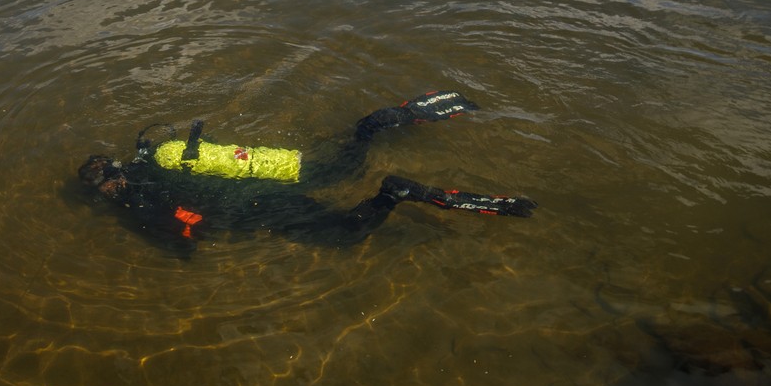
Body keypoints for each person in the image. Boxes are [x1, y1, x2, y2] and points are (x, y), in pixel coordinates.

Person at [76, 90, 535, 249]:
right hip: (269, 177)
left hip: (258, 206)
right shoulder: (161, 155)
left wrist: (188, 233)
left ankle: (393, 193)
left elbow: (188, 227)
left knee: (341, 234)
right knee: (343, 163)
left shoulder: (140, 196)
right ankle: (372, 127)